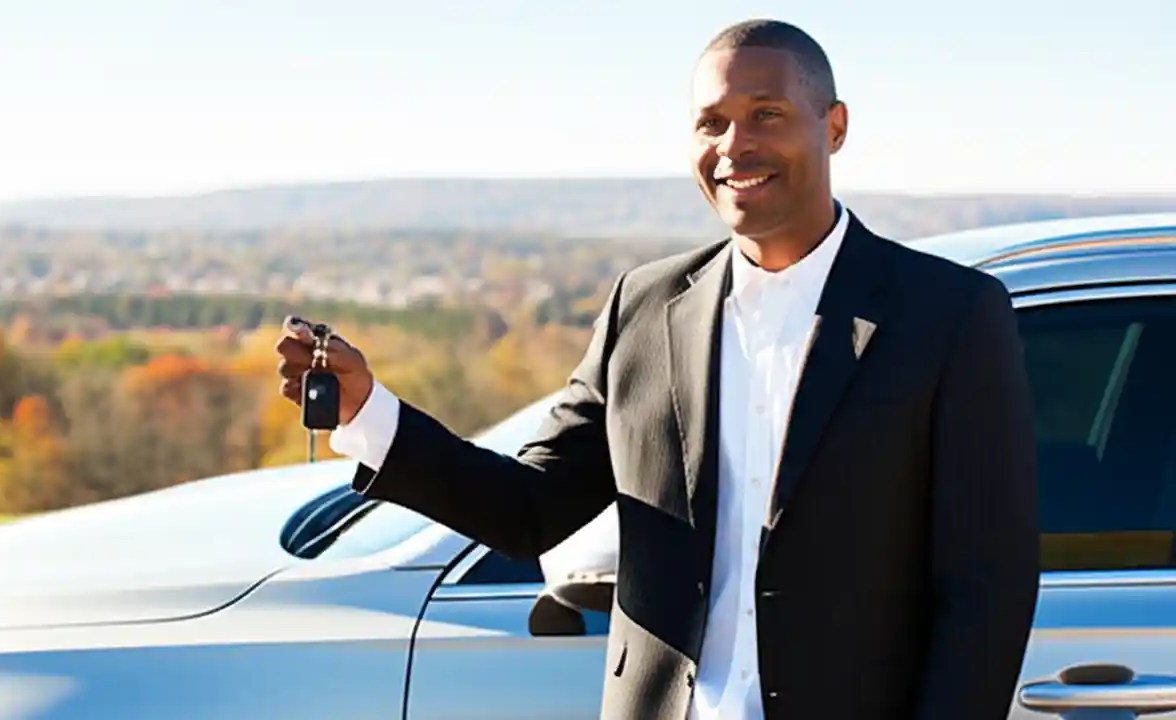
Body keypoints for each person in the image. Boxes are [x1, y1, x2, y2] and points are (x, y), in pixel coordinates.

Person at [275, 18, 1039, 720]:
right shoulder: (642, 309)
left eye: (766, 114)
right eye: (711, 122)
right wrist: (367, 412)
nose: (733, 146)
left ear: (833, 127)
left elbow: (987, 587)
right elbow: (529, 509)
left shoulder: (951, 314)